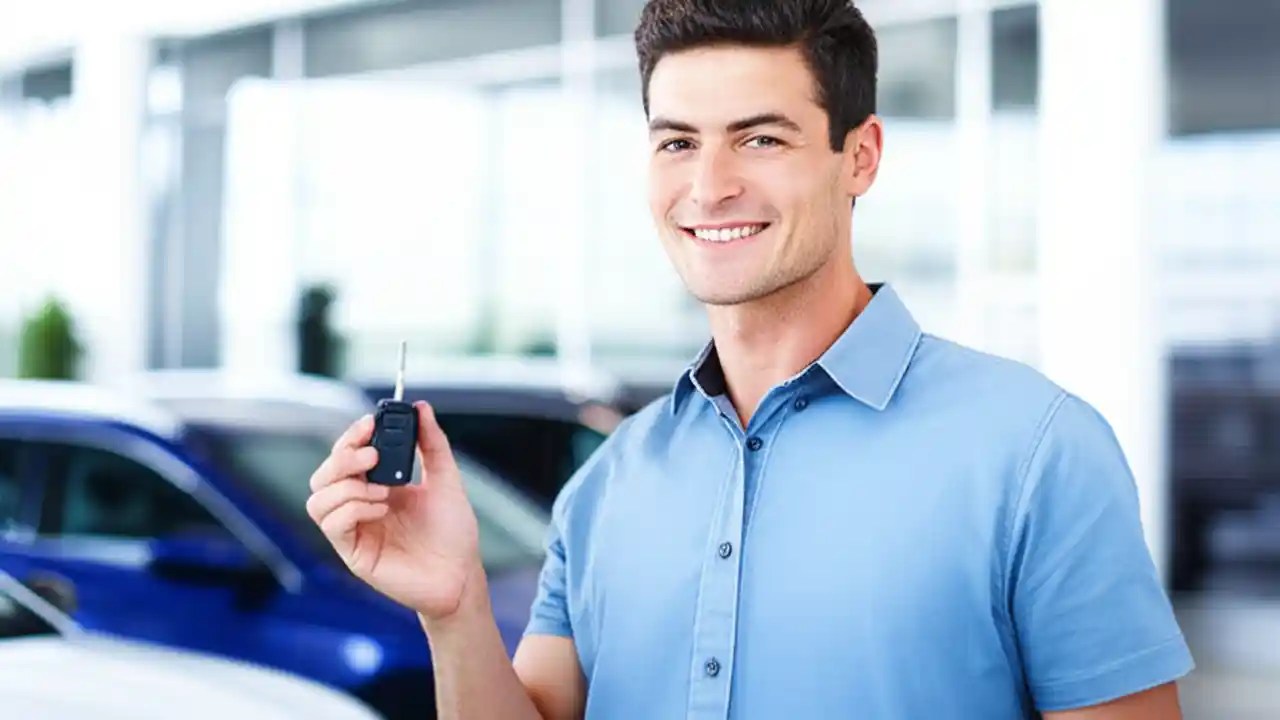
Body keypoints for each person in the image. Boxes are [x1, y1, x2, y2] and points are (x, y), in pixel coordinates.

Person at [305, 1, 1195, 717]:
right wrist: (455, 606)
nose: (709, 186)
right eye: (678, 142)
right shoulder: (607, 483)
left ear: (861, 157)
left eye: (760, 138)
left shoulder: (1037, 452)